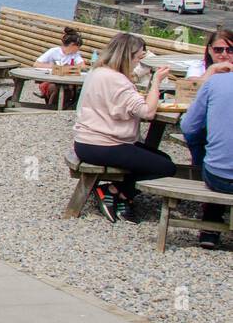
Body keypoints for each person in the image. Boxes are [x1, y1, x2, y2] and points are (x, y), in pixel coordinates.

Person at [72, 32, 175, 223]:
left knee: (162, 158)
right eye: (137, 58)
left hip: (86, 141)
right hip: (104, 144)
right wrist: (156, 83)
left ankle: (117, 194)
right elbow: (148, 112)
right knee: (166, 167)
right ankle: (116, 192)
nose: (137, 63)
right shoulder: (118, 80)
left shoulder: (98, 72)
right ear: (128, 56)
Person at [180, 68, 233, 249]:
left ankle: (210, 225)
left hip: (217, 176)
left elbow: (188, 127)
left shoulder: (215, 82)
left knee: (208, 149)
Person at [34, 27, 86, 107]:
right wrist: (54, 67)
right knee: (58, 88)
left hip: (68, 82)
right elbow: (37, 64)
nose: (78, 49)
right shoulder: (54, 51)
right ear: (72, 45)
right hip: (50, 81)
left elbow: (82, 66)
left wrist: (68, 68)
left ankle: (60, 109)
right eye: (78, 47)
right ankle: (51, 109)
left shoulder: (75, 55)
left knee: (71, 89)